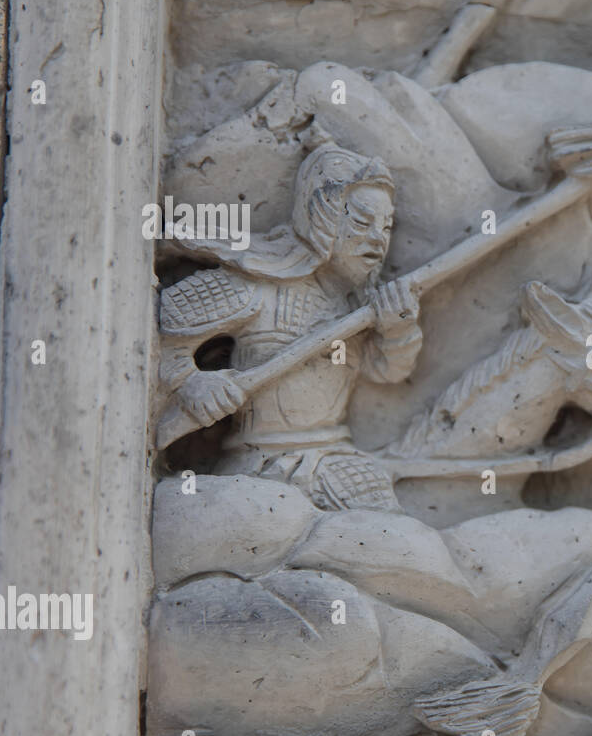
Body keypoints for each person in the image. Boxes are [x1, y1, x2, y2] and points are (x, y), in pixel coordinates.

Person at [158, 143, 422, 511]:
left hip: (334, 457)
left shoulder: (358, 306)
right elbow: (160, 337)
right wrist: (191, 382)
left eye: (387, 226)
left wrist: (398, 331)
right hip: (262, 464)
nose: (378, 239)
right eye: (361, 222)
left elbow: (386, 371)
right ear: (323, 220)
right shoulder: (258, 290)